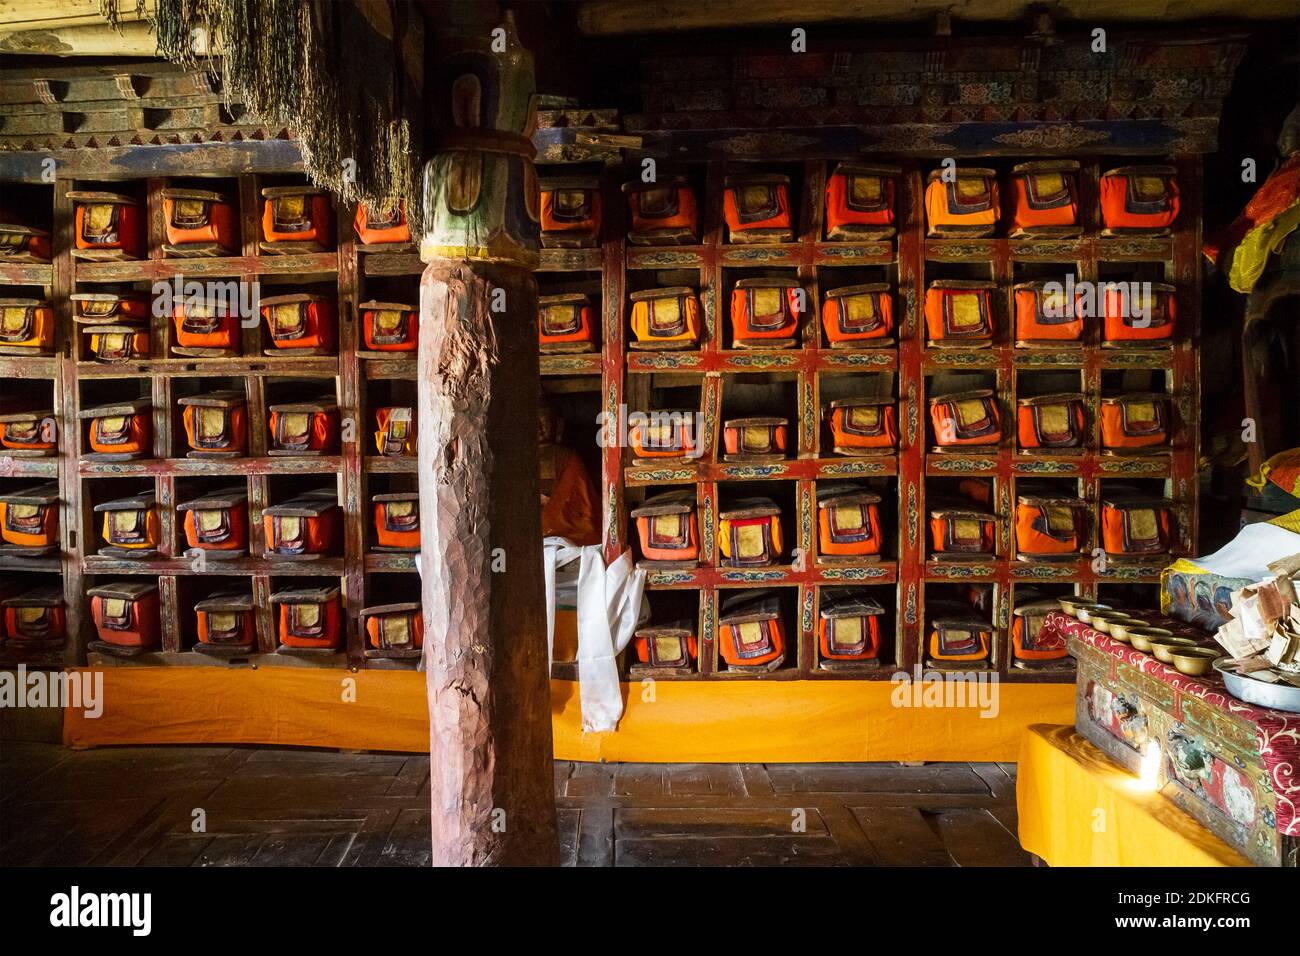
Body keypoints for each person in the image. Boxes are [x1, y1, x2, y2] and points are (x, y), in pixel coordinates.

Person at [539, 398, 601, 546]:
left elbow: (577, 505)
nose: (537, 426)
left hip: (565, 533)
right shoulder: (515, 457)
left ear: (559, 426)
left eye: (543, 417)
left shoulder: (565, 457)